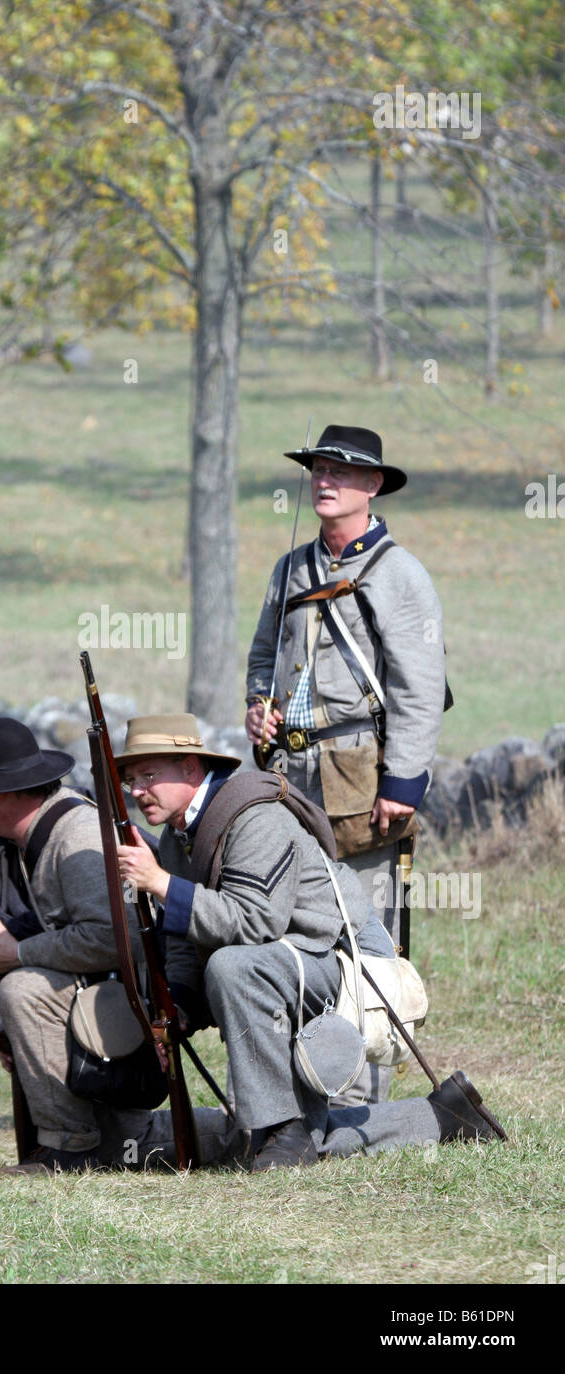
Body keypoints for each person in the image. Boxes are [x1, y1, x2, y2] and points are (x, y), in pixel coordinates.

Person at [113, 714, 506, 1170]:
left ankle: (280, 1128)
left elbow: (255, 920)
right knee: (303, 1139)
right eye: (131, 780)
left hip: (340, 961)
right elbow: (185, 940)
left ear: (190, 768)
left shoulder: (253, 816)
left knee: (232, 967)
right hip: (285, 966)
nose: (138, 791)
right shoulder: (177, 840)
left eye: (149, 776)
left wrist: (161, 885)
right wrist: (178, 1005)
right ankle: (439, 1118)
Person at [246, 425, 447, 1101]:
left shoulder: (398, 574)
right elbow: (262, 657)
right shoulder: (291, 568)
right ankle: (303, 1078)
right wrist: (258, 707)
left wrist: (403, 785)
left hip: (362, 774)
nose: (324, 480)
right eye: (319, 469)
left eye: (341, 472)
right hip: (289, 775)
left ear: (373, 486)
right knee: (292, 919)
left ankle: (363, 1095)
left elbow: (420, 690)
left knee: (365, 927)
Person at [0, 717, 238, 1173]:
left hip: (125, 1011)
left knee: (24, 990)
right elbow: (0, 939)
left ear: (1, 795)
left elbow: (109, 941)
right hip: (86, 1008)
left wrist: (19, 959)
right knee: (123, 1144)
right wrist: (6, 1026)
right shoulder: (7, 847)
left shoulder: (77, 834)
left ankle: (69, 1147)